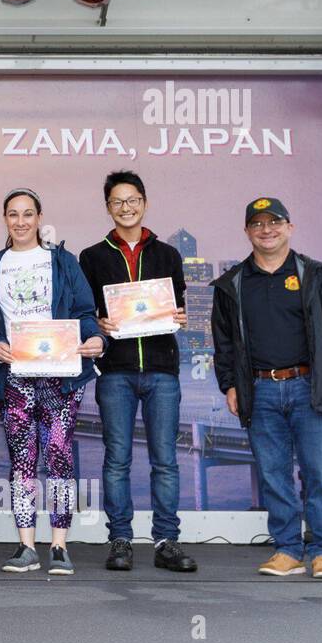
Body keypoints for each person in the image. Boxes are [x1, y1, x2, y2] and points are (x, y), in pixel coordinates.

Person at [211, 197, 322, 581]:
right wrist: (229, 385)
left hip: (310, 387)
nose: (267, 229)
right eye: (257, 224)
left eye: (274, 221)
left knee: (320, 473)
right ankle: (288, 549)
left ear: (289, 227)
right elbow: (223, 343)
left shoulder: (316, 275)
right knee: (273, 474)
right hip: (259, 391)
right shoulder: (232, 284)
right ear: (247, 232)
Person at [0, 187, 104, 576]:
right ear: (4, 219)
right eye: (13, 214)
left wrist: (95, 337)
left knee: (60, 454)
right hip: (14, 376)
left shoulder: (63, 261)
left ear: (39, 218)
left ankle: (60, 546)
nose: (21, 221)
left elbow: (85, 311)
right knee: (22, 459)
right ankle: (26, 546)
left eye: (28, 214)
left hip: (61, 376)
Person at [78, 171, 197, 573]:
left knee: (166, 460)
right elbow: (86, 314)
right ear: (108, 207)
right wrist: (98, 323)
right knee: (117, 459)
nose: (125, 207)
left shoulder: (168, 254)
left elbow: (176, 309)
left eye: (132, 200)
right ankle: (121, 539)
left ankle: (167, 541)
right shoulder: (92, 257)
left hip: (162, 368)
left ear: (144, 202)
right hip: (115, 371)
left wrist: (180, 317)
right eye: (117, 201)